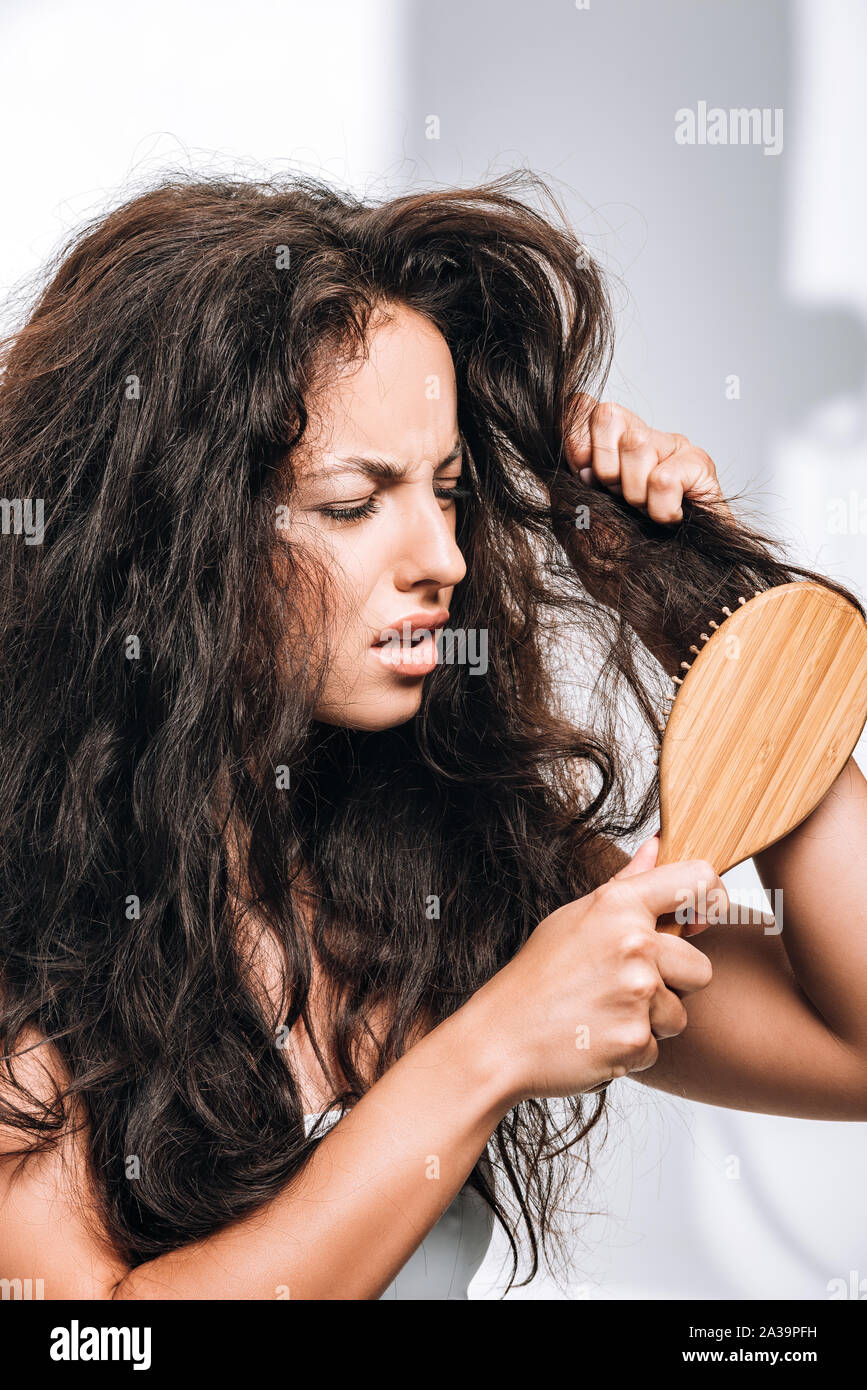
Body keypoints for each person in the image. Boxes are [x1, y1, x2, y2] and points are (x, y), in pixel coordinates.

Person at [1, 173, 865, 1300]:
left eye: (448, 491)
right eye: (357, 505)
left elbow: (854, 1043)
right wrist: (489, 1048)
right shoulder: (35, 909)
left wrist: (698, 605)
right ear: (173, 538)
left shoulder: (453, 851)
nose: (444, 560)